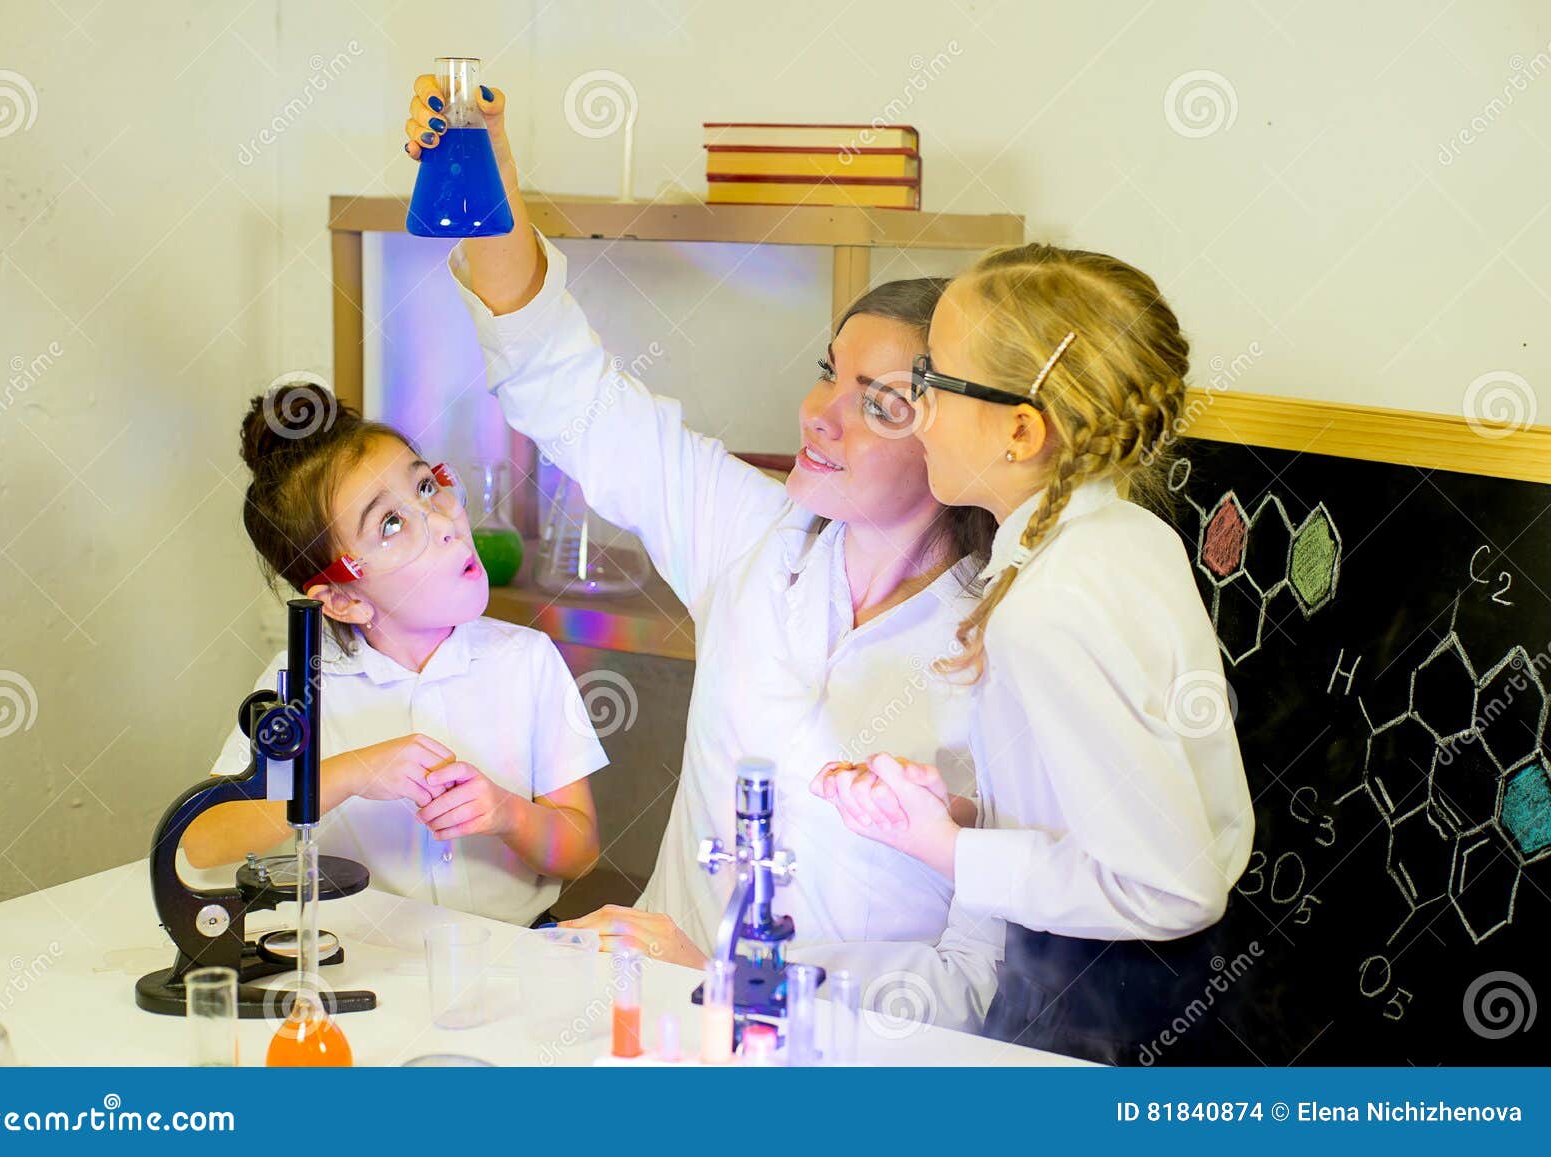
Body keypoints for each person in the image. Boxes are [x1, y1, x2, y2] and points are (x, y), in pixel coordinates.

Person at [405, 81, 1003, 1029]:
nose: (818, 415)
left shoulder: (1006, 643)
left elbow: (979, 983)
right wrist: (495, 189)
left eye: (875, 400)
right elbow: (569, 390)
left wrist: (727, 975)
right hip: (649, 1018)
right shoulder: (760, 536)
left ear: (960, 440)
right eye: (827, 375)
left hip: (851, 1061)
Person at [813, 243, 1255, 1062]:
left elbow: (1170, 884)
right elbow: (1108, 805)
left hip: (1098, 1015)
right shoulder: (1122, 538)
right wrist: (962, 814)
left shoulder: (1048, 605)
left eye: (932, 383)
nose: (917, 410)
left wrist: (945, 851)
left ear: (1021, 430)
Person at [184, 383, 607, 925]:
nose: (445, 523)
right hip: (365, 966)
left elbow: (580, 852)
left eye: (427, 486)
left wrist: (509, 815)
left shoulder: (527, 659)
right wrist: (349, 773)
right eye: (391, 524)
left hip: (514, 952)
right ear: (341, 598)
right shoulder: (303, 682)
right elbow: (204, 839)